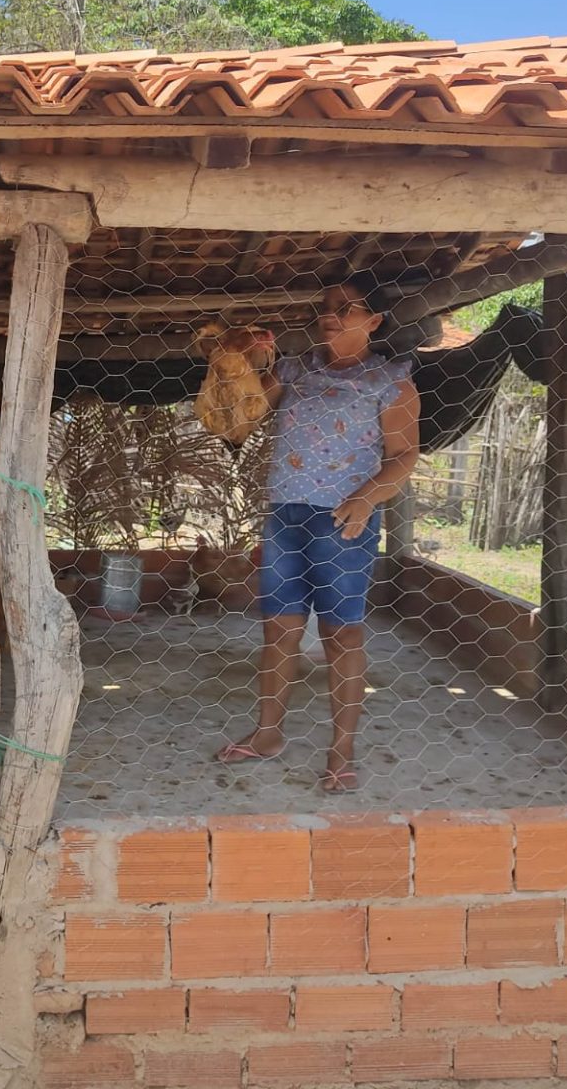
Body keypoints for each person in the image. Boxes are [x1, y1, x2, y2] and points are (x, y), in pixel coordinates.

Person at [216, 275, 421, 793]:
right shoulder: (294, 370)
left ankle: (341, 751)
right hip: (286, 515)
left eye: (348, 308)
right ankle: (268, 735)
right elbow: (237, 423)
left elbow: (404, 456)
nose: (331, 314)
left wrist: (365, 499)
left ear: (373, 322)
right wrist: (237, 360)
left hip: (343, 518)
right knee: (278, 631)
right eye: (327, 306)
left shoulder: (389, 380)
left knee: (341, 635)